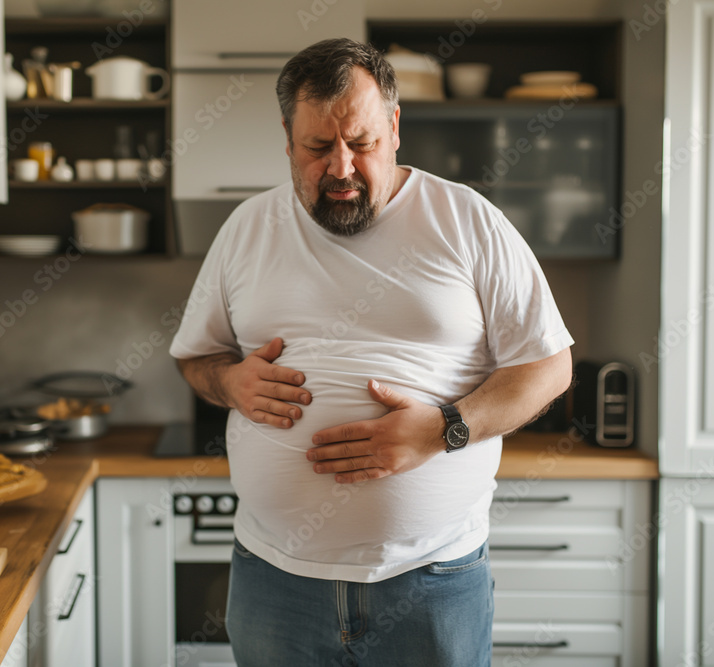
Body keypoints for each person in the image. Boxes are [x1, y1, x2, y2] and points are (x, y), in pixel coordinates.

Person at [169, 38, 573, 667]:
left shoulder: (467, 220)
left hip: (431, 579)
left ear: (394, 127)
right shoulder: (247, 227)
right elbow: (197, 358)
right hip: (274, 581)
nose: (341, 168)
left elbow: (548, 367)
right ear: (287, 139)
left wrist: (444, 429)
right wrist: (229, 383)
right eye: (317, 147)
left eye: (361, 143)